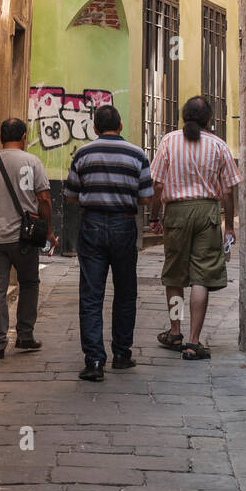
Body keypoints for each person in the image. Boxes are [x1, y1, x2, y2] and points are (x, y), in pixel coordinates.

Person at [63, 104, 154, 381]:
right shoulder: (138, 154)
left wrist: (93, 201)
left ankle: (94, 361)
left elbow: (69, 194)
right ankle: (122, 354)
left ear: (95, 128)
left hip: (91, 224)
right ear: (121, 126)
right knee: (125, 292)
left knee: (91, 294)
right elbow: (147, 197)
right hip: (124, 224)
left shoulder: (83, 153)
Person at [149, 96, 239, 361]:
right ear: (208, 119)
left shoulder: (169, 141)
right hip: (207, 212)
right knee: (201, 276)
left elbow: (157, 185)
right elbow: (229, 189)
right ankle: (193, 342)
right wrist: (230, 226)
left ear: (183, 116)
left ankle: (175, 332)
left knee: (175, 275)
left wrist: (155, 216)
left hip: (176, 212)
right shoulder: (218, 145)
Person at [0, 118, 56, 359]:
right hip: (24, 237)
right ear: (23, 137)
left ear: (1, 138)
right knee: (29, 283)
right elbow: (44, 198)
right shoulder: (32, 162)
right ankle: (24, 335)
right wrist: (49, 231)